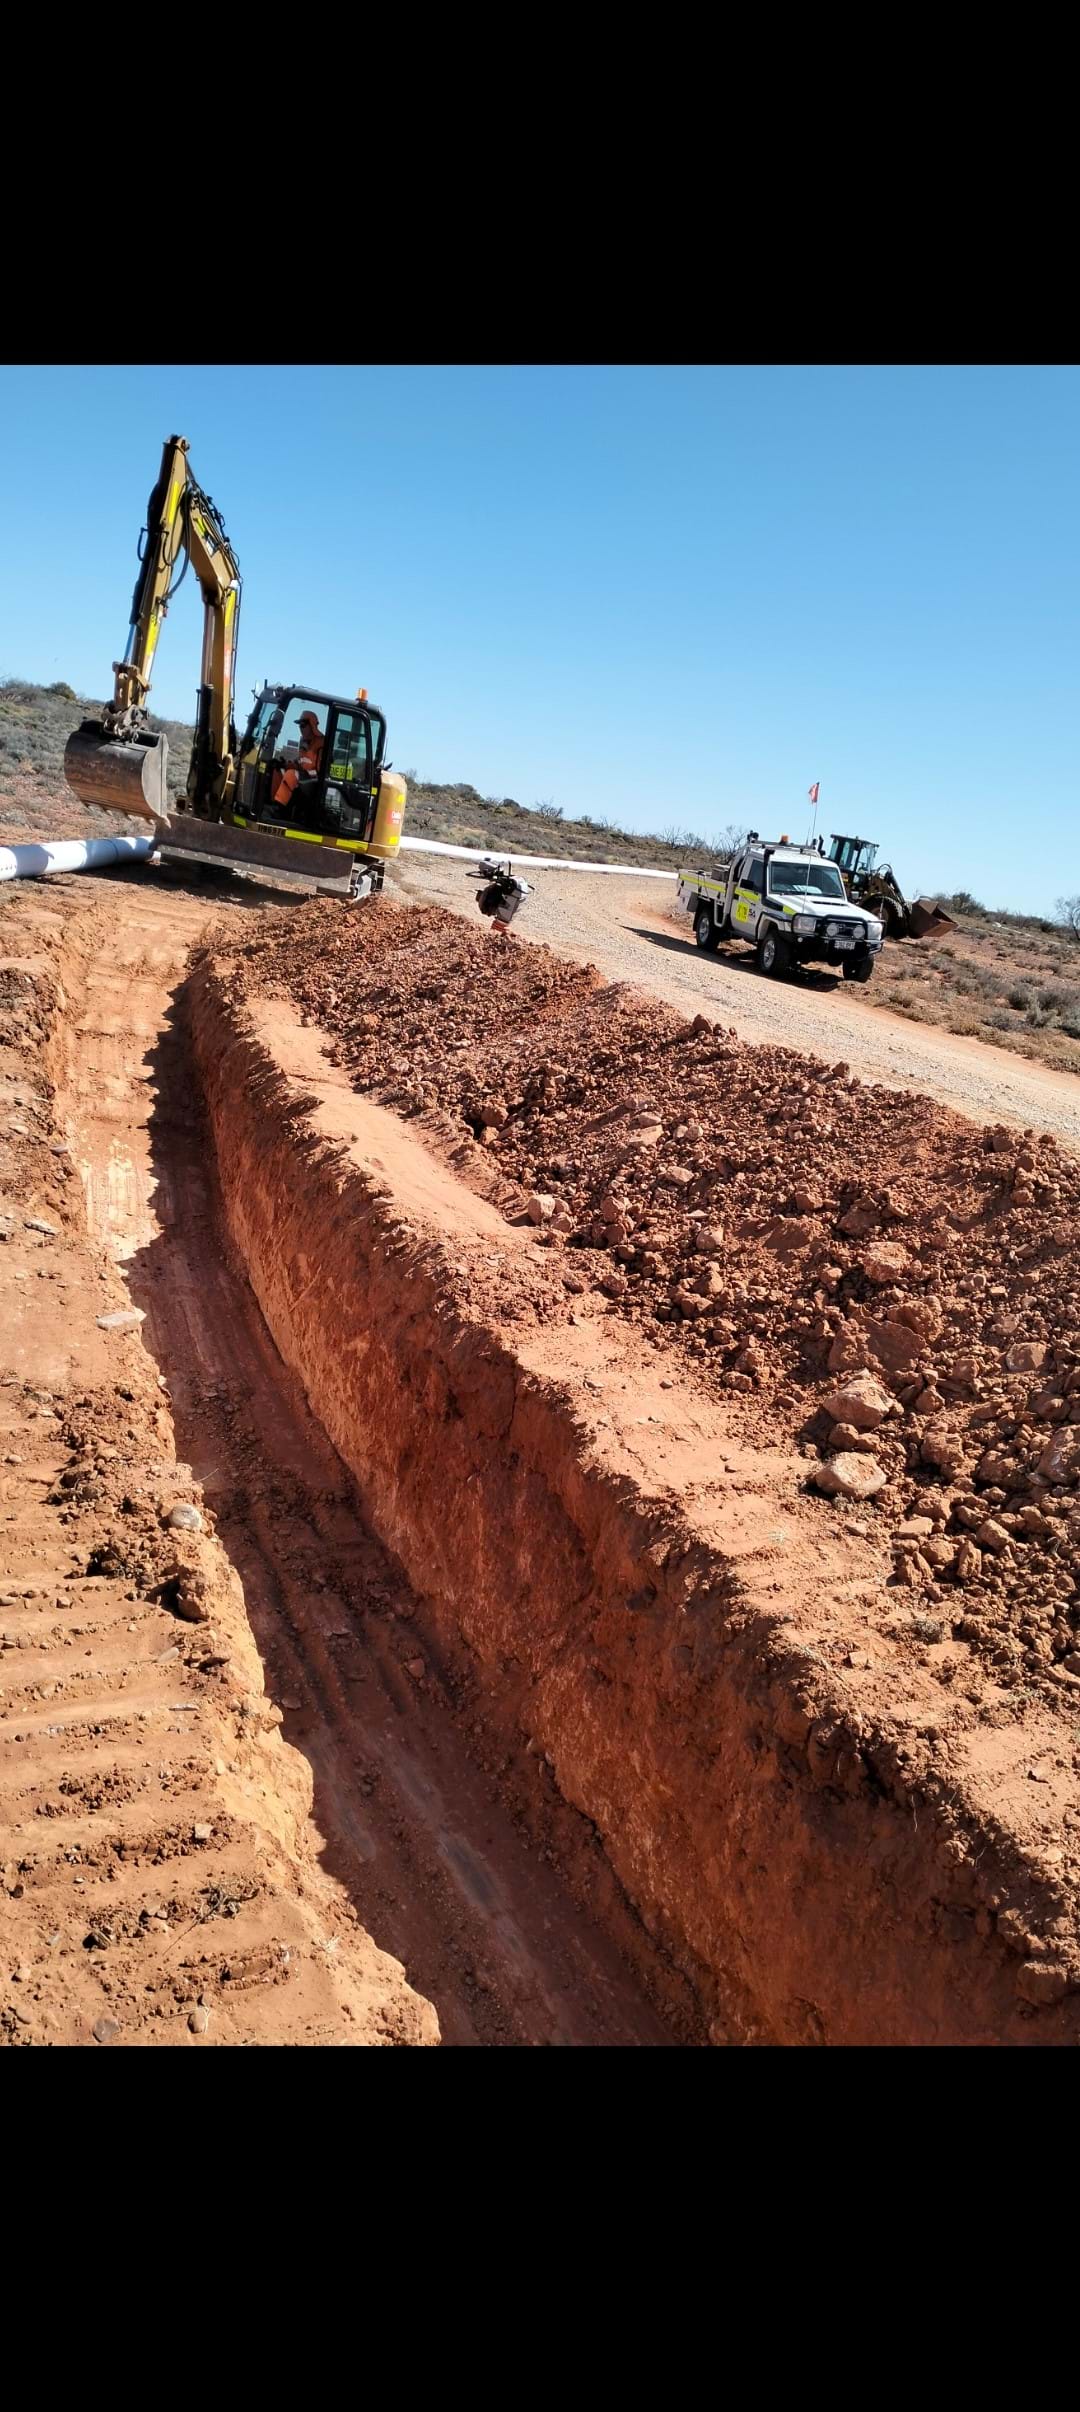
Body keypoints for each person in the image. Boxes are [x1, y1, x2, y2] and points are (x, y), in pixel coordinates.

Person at [272, 709, 323, 816]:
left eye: (303, 725)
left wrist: (303, 772)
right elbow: (300, 763)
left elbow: (320, 770)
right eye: (299, 725)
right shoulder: (304, 742)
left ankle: (280, 809)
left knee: (291, 775)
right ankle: (273, 803)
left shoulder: (321, 744)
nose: (300, 728)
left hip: (315, 780)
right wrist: (285, 765)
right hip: (304, 776)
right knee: (278, 771)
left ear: (312, 725)